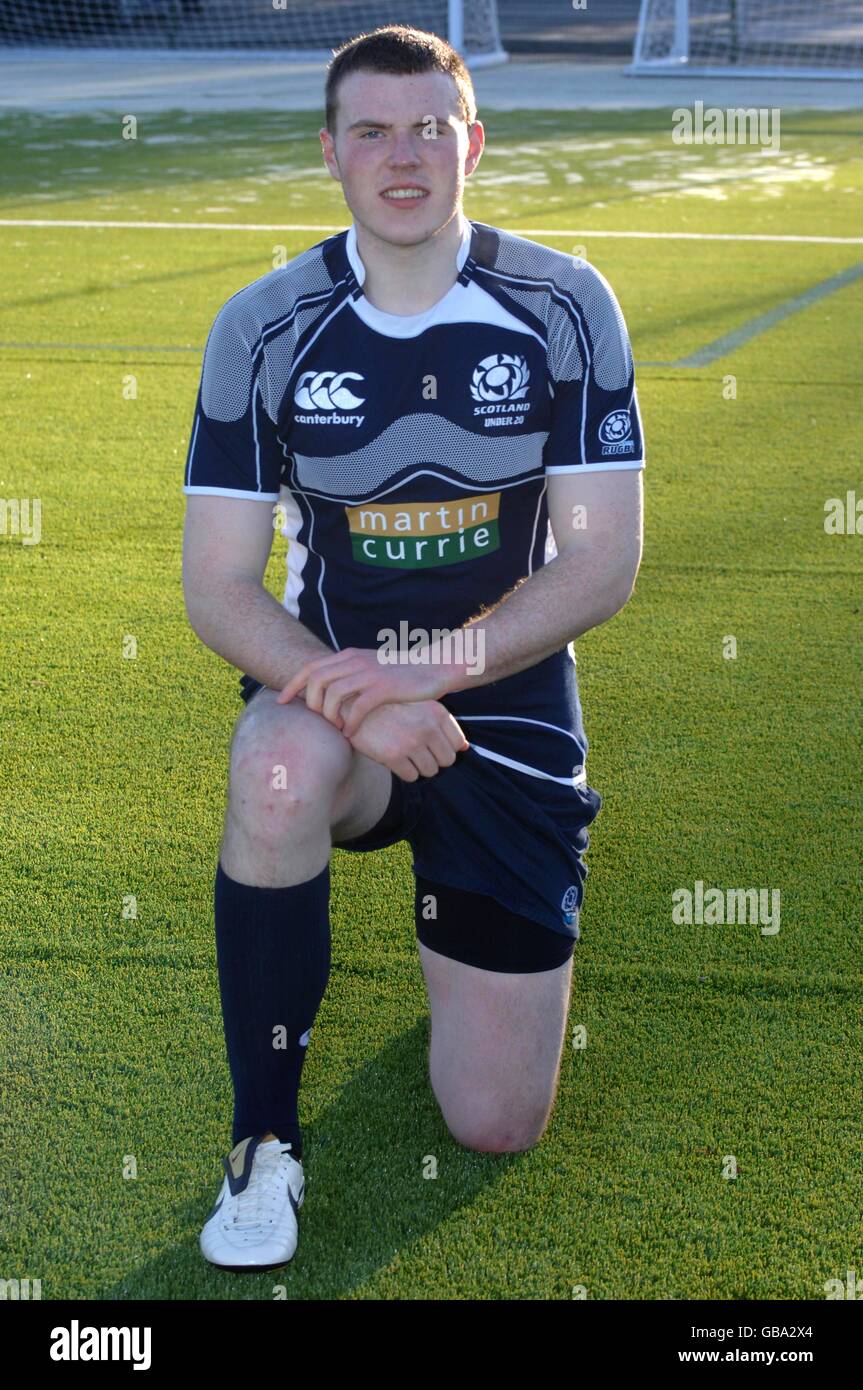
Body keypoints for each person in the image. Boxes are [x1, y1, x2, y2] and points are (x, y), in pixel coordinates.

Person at [182, 24, 644, 1273]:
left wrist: (424, 675)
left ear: (470, 144)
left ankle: (482, 960)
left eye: (428, 128)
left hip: (506, 708)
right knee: (273, 761)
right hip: (334, 713)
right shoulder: (265, 326)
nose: (402, 155)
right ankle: (261, 1142)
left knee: (493, 1122)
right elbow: (219, 589)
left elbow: (599, 561)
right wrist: (364, 702)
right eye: (372, 131)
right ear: (330, 152)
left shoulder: (561, 303)